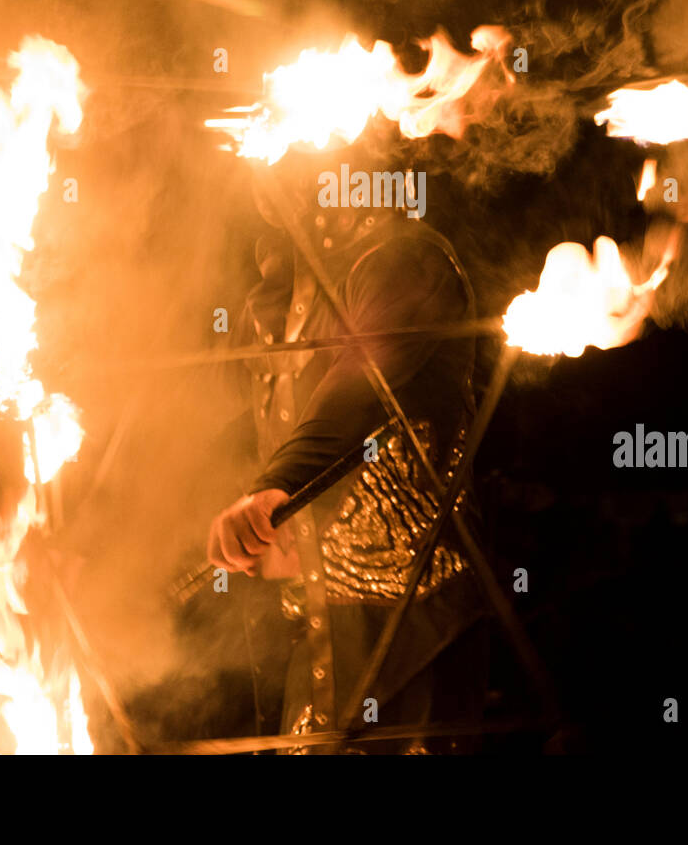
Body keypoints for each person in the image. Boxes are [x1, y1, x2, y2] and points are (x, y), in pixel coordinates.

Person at [206, 153, 488, 752]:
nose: (266, 176)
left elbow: (356, 386)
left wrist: (272, 487)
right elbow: (205, 400)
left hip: (412, 624)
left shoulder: (404, 262)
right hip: (320, 622)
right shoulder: (283, 288)